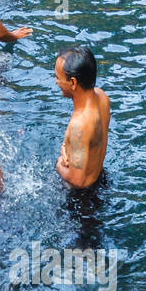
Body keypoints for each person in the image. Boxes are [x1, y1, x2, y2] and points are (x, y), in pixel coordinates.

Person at [54, 45, 110, 189]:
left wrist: (59, 164)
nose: (56, 81)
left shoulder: (79, 125)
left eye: (58, 77)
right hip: (100, 178)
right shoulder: (102, 97)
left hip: (83, 200)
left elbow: (76, 180)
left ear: (72, 82)